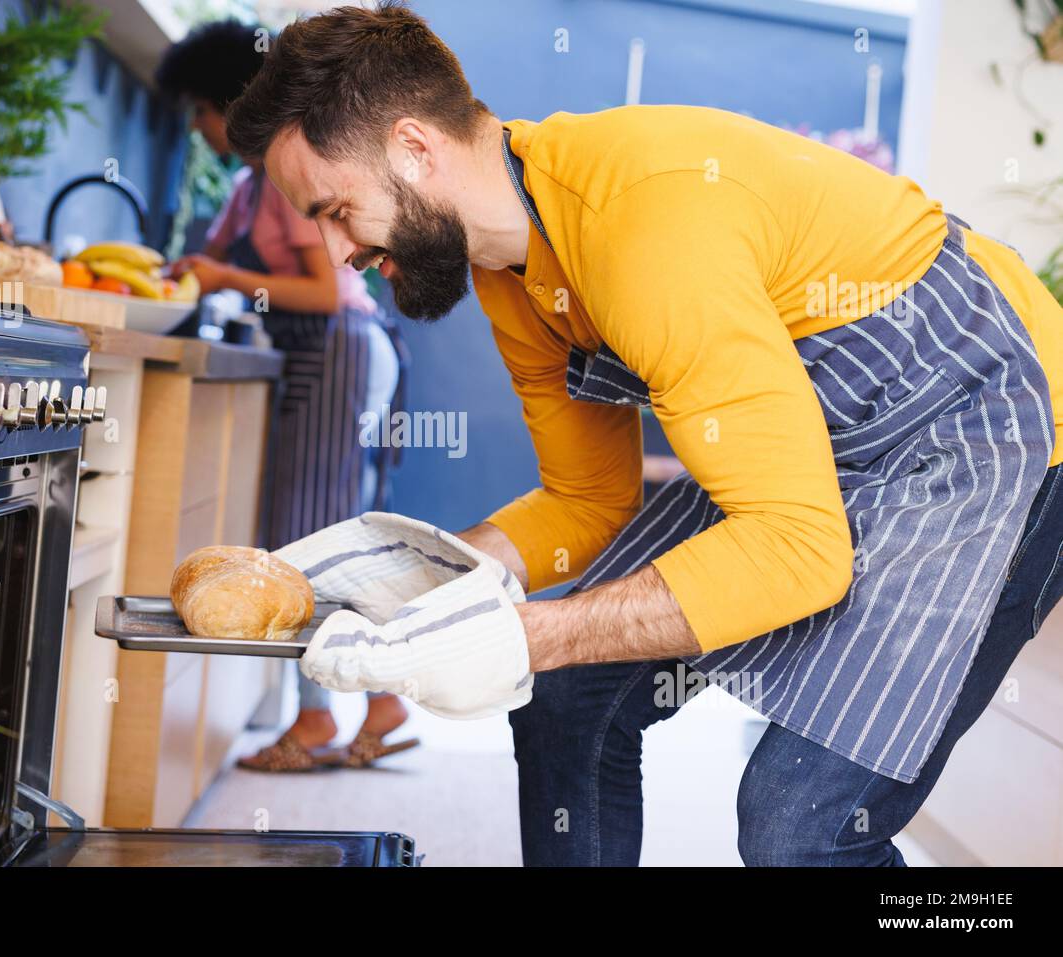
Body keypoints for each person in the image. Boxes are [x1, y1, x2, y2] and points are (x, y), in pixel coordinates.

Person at [224, 2, 1063, 863]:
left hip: (992, 422)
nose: (333, 253)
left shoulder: (643, 222)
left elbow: (798, 552)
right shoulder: (512, 274)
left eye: (334, 209)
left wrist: (519, 635)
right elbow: (589, 498)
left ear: (413, 147)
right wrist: (417, 575)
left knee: (799, 827)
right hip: (826, 443)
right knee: (563, 699)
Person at [156, 20, 416, 772]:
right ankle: (374, 701)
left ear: (229, 103)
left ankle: (321, 718)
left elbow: (321, 292)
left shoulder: (274, 180)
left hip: (336, 353)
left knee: (308, 542)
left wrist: (224, 278)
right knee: (318, 534)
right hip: (333, 360)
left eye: (201, 111)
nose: (199, 128)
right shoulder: (252, 185)